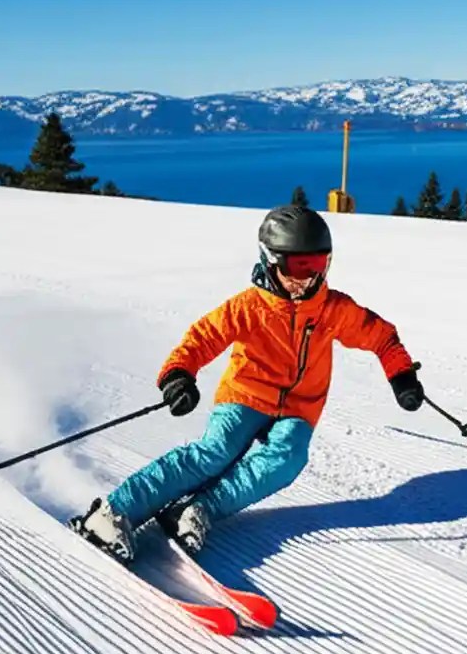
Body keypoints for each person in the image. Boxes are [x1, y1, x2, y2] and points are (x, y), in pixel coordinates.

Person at [70, 204, 424, 560]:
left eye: (318, 264)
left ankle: (197, 510)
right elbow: (203, 337)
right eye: (298, 266)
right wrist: (179, 374)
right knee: (215, 453)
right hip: (246, 395)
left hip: (300, 407)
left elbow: (382, 337)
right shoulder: (250, 307)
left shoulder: (332, 309)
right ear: (270, 260)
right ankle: (113, 513)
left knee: (287, 459)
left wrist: (401, 375)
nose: (308, 277)